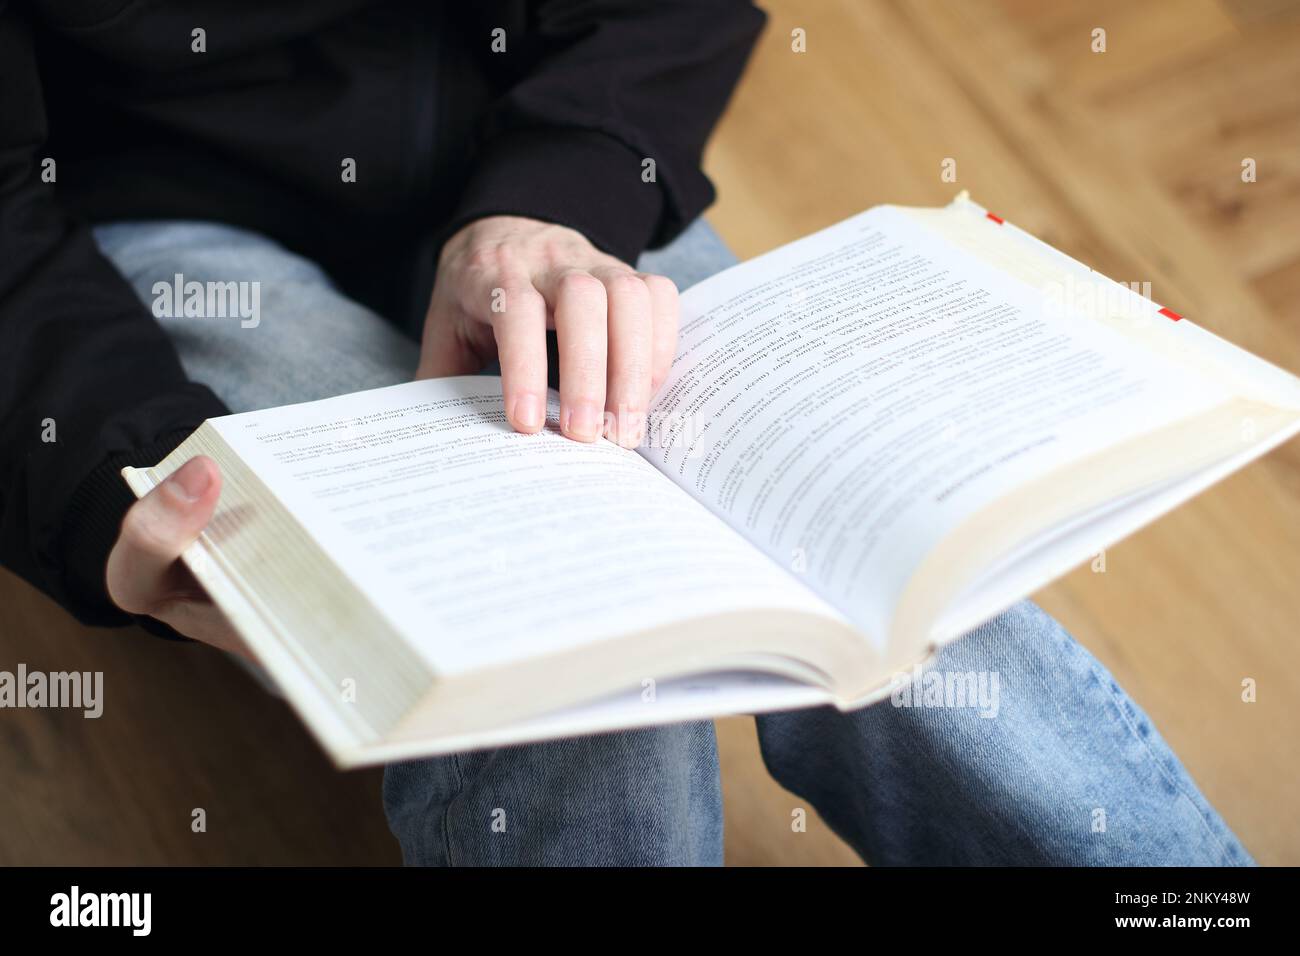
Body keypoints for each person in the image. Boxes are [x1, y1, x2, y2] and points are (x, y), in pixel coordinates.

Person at [0, 0, 1253, 866]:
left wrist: (557, 194)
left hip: (522, 116)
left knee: (878, 548)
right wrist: (99, 479)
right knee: (554, 651)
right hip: (130, 210)